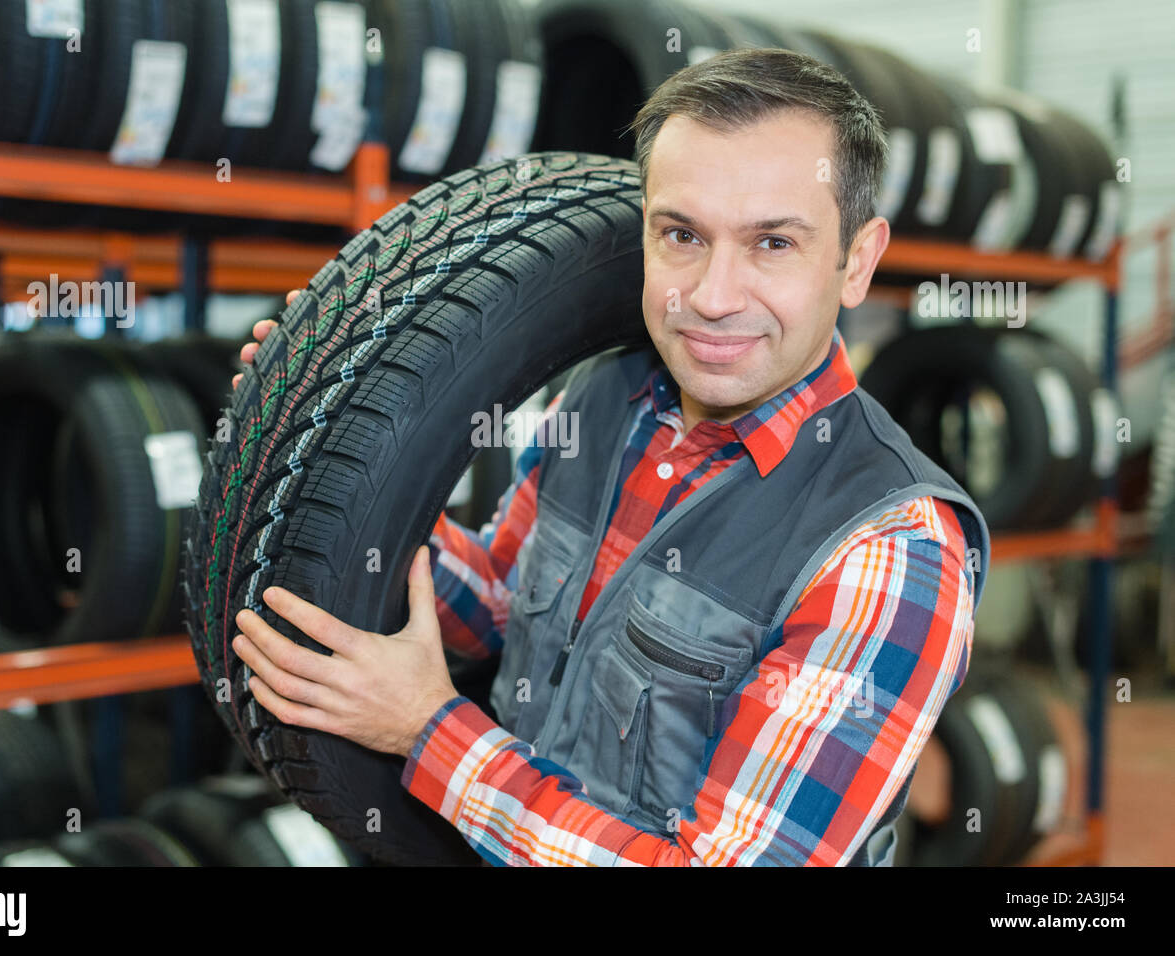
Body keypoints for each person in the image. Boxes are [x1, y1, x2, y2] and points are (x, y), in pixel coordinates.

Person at [229, 47, 991, 866]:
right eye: (682, 235)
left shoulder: (890, 547)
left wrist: (428, 732)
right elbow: (497, 598)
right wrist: (337, 449)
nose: (713, 296)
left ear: (857, 262)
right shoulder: (605, 399)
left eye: (773, 244)